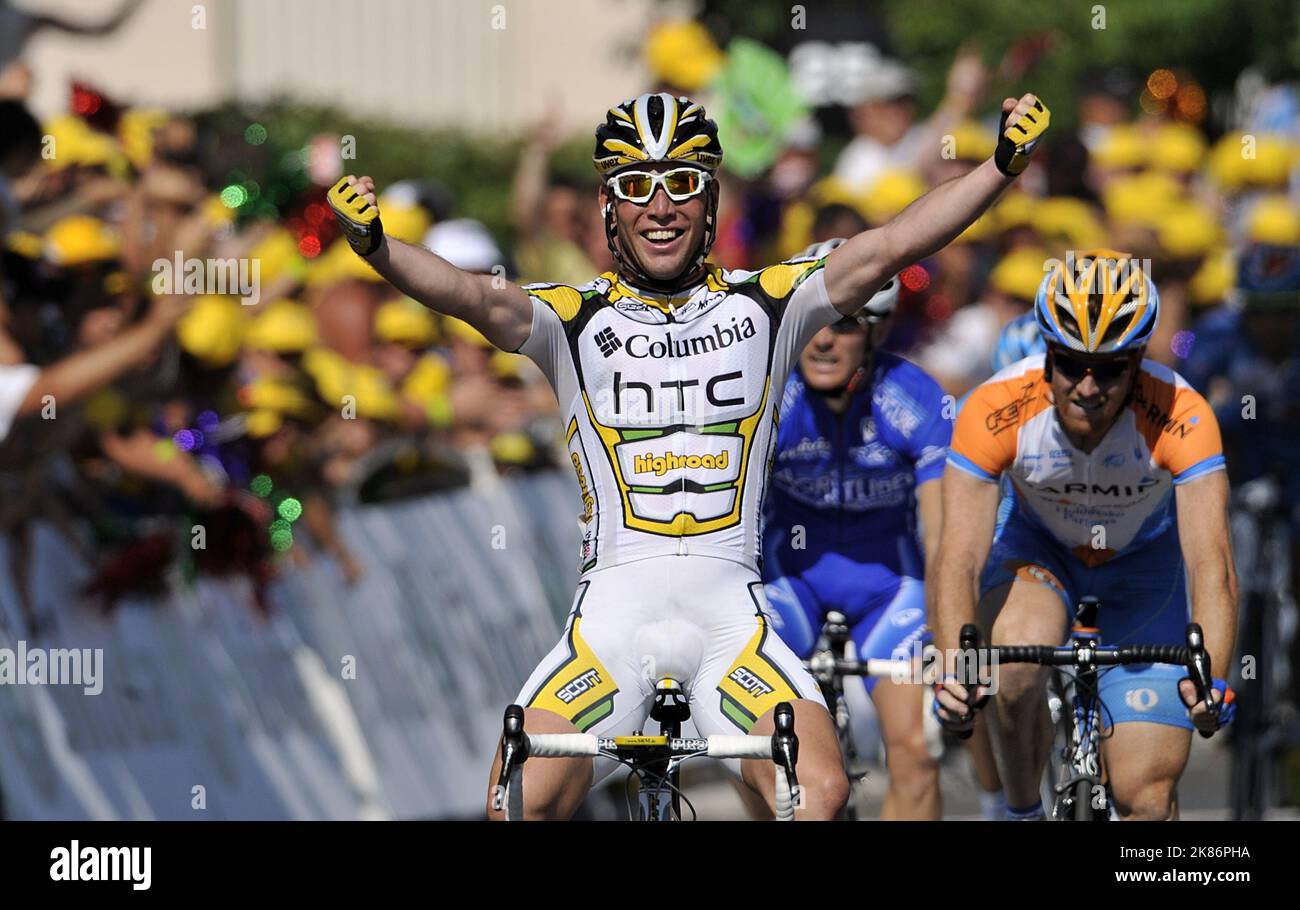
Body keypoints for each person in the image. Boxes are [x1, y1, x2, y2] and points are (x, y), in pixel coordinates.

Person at [329, 89, 1052, 820]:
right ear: (610, 207)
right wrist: (378, 245)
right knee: (517, 801)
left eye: (682, 184)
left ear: (710, 203)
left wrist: (998, 166)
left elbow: (895, 244)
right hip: (610, 622)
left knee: (819, 795)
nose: (661, 206)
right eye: (637, 187)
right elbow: (465, 295)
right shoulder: (568, 319)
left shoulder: (772, 304)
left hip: (730, 622)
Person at [931, 250, 1238, 820]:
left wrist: (1211, 679)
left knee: (1145, 799)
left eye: (1112, 367)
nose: (1089, 386)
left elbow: (1211, 566)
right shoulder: (996, 408)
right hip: (1040, 555)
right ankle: (1019, 811)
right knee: (1015, 667)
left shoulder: (1182, 413)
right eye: (1071, 363)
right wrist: (954, 671)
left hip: (1144, 573)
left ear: (1138, 361)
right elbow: (957, 559)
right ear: (1047, 354)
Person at [761, 240, 1005, 819]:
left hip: (891, 588)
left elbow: (946, 539)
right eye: (814, 324)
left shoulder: (914, 397)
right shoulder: (770, 394)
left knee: (916, 752)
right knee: (767, 757)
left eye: (844, 326)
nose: (823, 341)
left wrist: (960, 659)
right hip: (787, 583)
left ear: (876, 330)